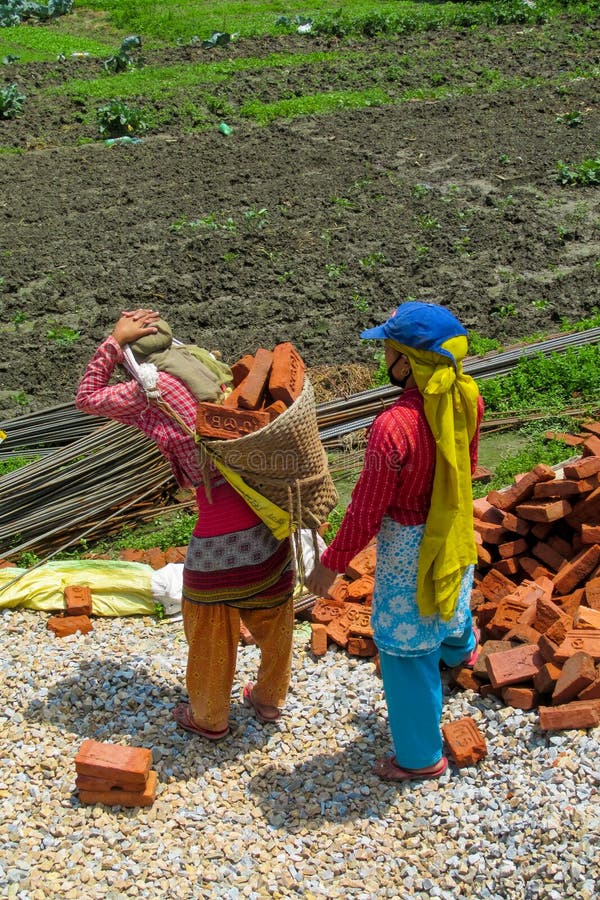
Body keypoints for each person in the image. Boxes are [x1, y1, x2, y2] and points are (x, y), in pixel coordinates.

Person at [76, 308, 296, 741]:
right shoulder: (210, 368)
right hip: (268, 509)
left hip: (221, 528)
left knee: (209, 616)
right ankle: (269, 698)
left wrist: (111, 344)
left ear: (131, 354)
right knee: (273, 608)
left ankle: (211, 716)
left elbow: (86, 396)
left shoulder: (147, 391)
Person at [307, 300, 484, 782]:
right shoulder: (468, 397)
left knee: (406, 651)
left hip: (409, 545)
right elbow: (465, 464)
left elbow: (367, 509)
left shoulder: (393, 426)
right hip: (453, 523)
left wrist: (333, 562)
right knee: (452, 589)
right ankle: (463, 651)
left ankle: (421, 757)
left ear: (408, 361)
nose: (383, 357)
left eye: (388, 349)